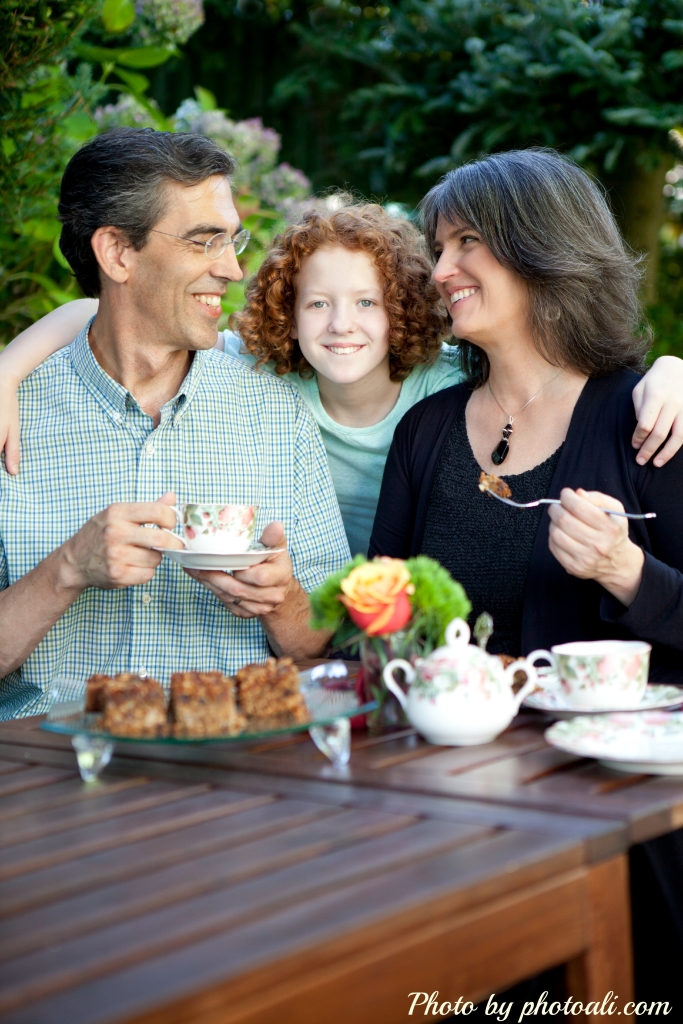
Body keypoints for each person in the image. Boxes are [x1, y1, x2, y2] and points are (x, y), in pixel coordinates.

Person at [2, 202, 683, 557]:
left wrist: (668, 370)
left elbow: (556, 371)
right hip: (312, 620)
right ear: (286, 315)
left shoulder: (441, 392)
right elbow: (108, 311)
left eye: (365, 303)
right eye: (316, 304)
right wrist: (7, 371)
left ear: (400, 311)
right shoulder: (265, 377)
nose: (339, 326)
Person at [0, 127, 350, 719]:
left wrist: (280, 599)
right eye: (203, 241)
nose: (233, 270)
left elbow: (320, 640)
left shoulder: (273, 411)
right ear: (117, 253)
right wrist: (68, 569)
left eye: (232, 241)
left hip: (227, 772)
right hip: (50, 775)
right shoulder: (14, 412)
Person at [369, 148, 683, 683]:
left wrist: (624, 571)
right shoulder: (423, 429)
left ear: (543, 244)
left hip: (597, 760)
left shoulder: (652, 419)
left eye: (468, 240)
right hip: (437, 754)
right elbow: (375, 622)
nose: (442, 270)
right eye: (439, 247)